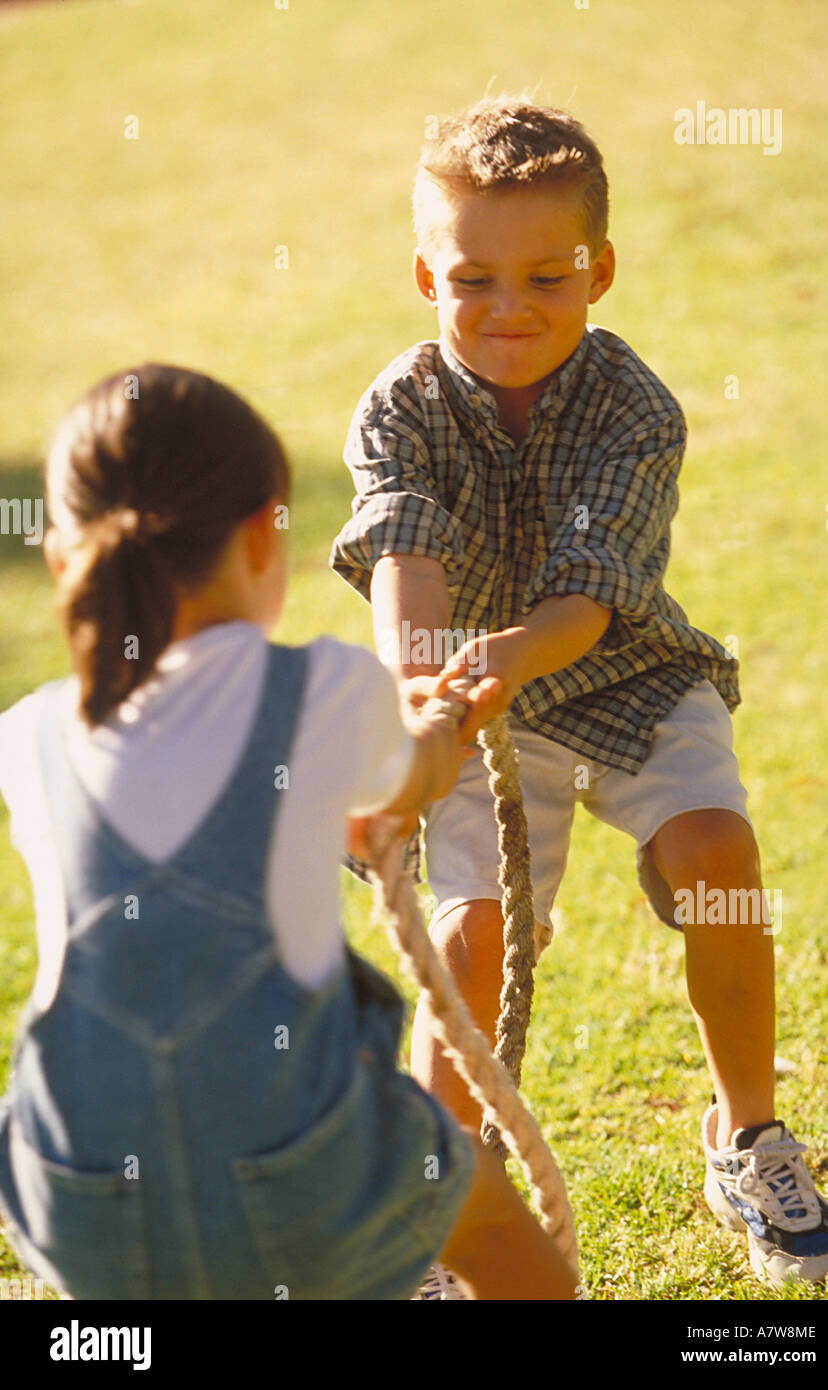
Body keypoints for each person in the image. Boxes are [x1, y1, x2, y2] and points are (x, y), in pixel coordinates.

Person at [329, 96, 828, 1288]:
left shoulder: (634, 410)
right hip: (463, 697)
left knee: (717, 854)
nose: (508, 308)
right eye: (472, 279)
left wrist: (508, 654)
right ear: (425, 275)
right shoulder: (396, 408)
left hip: (621, 675)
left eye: (545, 277)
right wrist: (422, 691)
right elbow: (402, 555)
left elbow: (591, 597)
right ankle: (437, 1194)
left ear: (598, 269)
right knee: (467, 938)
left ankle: (745, 1136)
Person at [0, 363, 576, 1300]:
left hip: (83, 1208)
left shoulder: (28, 738)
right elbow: (415, 782)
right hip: (298, 1186)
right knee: (483, 1207)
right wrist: (439, 718)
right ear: (265, 534)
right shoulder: (324, 693)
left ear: (63, 558)